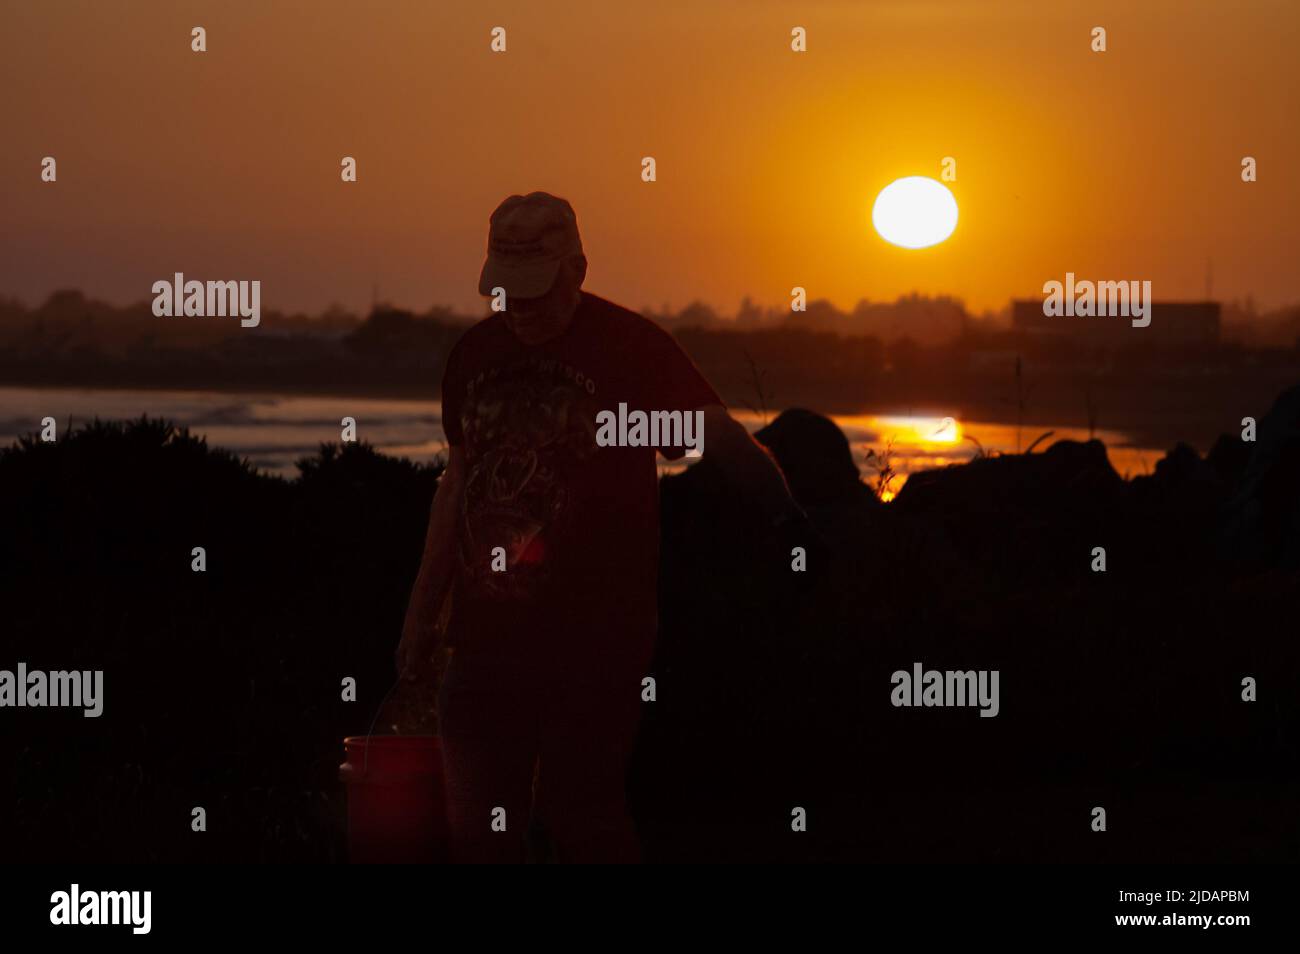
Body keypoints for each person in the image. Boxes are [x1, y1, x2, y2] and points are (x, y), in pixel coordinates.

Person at [396, 191, 808, 862]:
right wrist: (421, 616)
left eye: (534, 291)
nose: (519, 309)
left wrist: (792, 520)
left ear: (577, 270)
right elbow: (457, 485)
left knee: (580, 812)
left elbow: (719, 439)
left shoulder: (633, 348)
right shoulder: (473, 355)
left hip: (596, 635)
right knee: (478, 823)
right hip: (484, 636)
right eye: (506, 291)